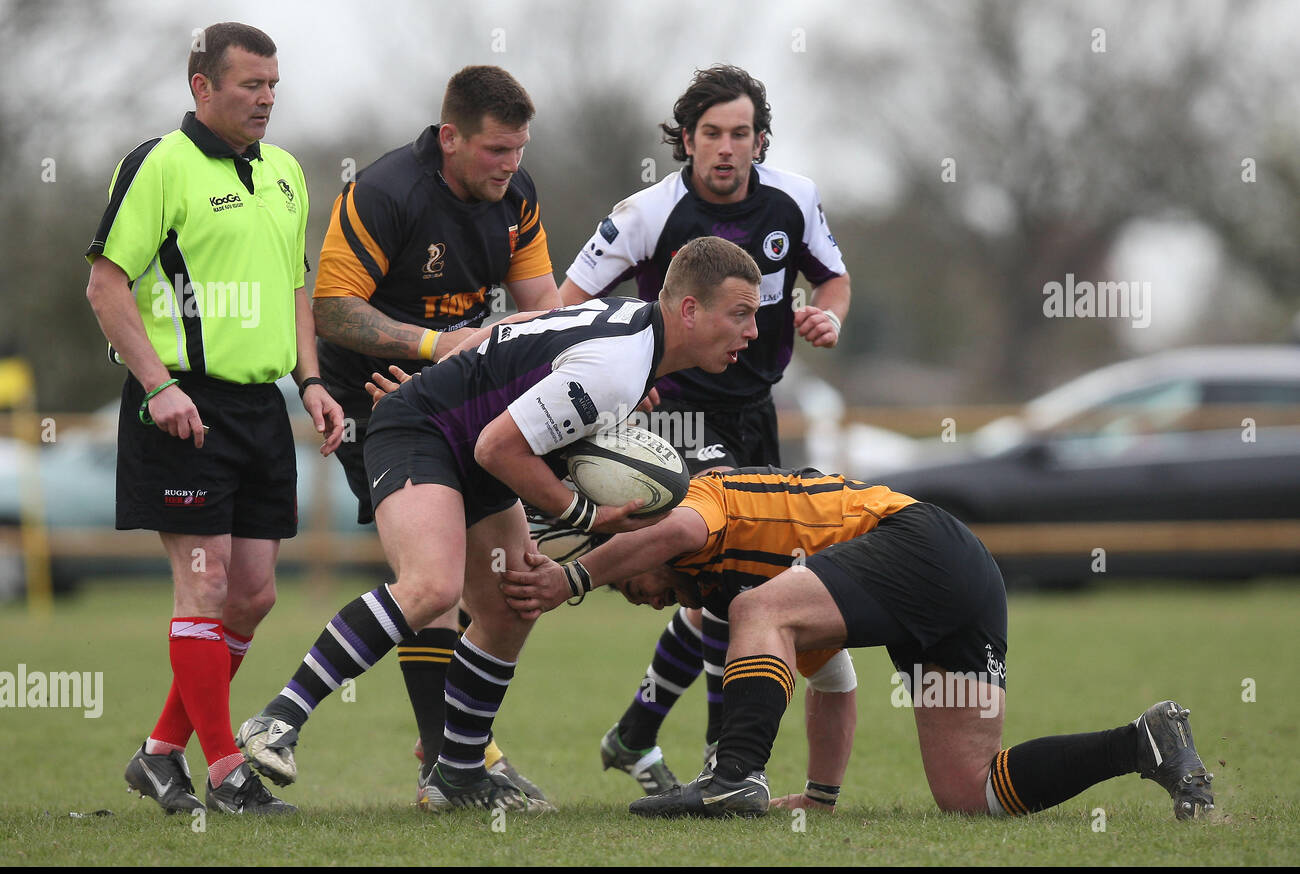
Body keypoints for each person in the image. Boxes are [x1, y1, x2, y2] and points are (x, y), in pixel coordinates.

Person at [236, 236, 761, 811]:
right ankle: (278, 719)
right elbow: (497, 448)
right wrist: (584, 514)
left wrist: (459, 374)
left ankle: (457, 775)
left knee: (513, 603)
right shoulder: (618, 367)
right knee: (431, 586)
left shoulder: (636, 335)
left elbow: (522, 325)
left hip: (470, 447)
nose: (752, 332)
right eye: (740, 315)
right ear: (689, 310)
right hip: (425, 433)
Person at [500, 468, 1217, 821]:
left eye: (635, 582)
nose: (645, 597)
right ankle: (1144, 743)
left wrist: (576, 577)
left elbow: (680, 537)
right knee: (970, 793)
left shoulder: (703, 499)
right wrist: (819, 797)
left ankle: (731, 778)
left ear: (635, 533)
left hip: (921, 543)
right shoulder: (762, 612)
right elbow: (835, 683)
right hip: (959, 581)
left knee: (756, 605)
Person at [559, 65, 852, 794]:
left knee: (728, 588)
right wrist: (624, 380)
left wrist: (828, 314)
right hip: (677, 417)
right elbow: (566, 306)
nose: (726, 148)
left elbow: (833, 279)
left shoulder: (796, 200)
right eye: (712, 134)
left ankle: (637, 734)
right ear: (686, 140)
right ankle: (728, 763)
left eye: (741, 134)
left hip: (757, 413)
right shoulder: (645, 214)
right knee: (738, 587)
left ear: (759, 140)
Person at [84, 22, 345, 815]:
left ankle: (160, 754)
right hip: (182, 406)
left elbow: (295, 290)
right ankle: (227, 770)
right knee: (204, 588)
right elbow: (105, 285)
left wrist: (310, 381)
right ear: (202, 87)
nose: (266, 99)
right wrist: (159, 385)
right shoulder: (159, 163)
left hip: (260, 408)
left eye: (273, 85)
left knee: (254, 594)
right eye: (249, 85)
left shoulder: (287, 172)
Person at [303, 65, 561, 801]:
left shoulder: (517, 196)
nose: (510, 166)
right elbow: (333, 311)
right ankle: (451, 766)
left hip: (471, 406)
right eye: (495, 151)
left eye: (518, 150)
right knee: (434, 586)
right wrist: (434, 348)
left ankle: (449, 748)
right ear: (450, 138)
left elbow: (540, 307)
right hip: (383, 406)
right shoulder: (384, 194)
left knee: (513, 591)